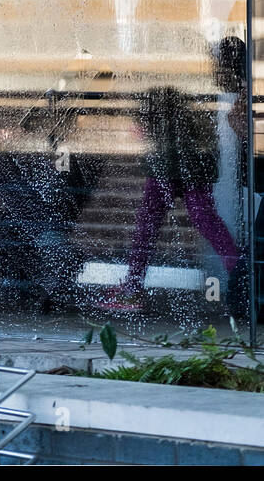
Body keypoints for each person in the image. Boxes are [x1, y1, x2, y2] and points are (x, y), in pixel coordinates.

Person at [102, 85, 242, 312]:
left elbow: (146, 138)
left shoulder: (162, 124)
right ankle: (242, 278)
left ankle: (133, 287)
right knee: (206, 222)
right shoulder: (190, 120)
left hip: (169, 170)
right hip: (189, 170)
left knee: (148, 227)